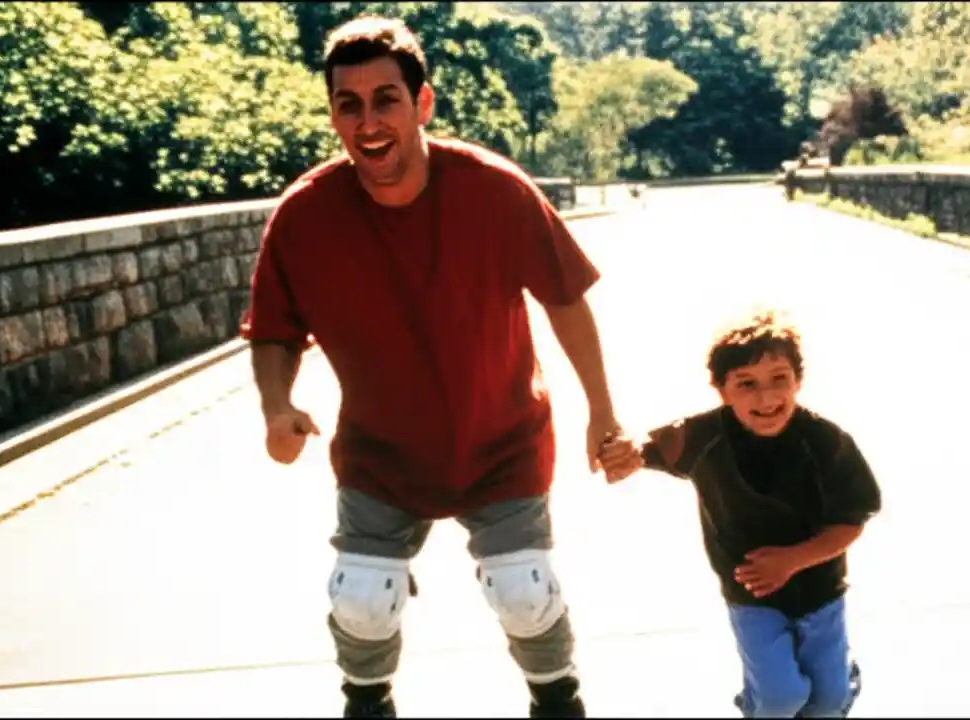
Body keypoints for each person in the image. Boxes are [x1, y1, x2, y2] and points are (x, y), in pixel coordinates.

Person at [239, 15, 622, 719]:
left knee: (524, 589)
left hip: (500, 441)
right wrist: (275, 405)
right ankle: (368, 702)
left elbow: (565, 299)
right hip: (381, 457)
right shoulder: (305, 215)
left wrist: (602, 408)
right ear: (333, 115)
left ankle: (557, 699)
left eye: (385, 98)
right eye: (348, 104)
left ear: (422, 104)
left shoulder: (494, 189)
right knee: (361, 599)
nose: (368, 120)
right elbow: (274, 328)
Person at [598, 309, 881, 718]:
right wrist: (625, 456)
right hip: (752, 596)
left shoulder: (827, 442)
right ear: (721, 389)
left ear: (798, 381)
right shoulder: (703, 438)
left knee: (829, 700)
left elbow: (853, 519)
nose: (766, 399)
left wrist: (792, 561)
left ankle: (841, 679)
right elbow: (646, 450)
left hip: (821, 592)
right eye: (746, 384)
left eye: (779, 380)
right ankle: (758, 704)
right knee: (781, 699)